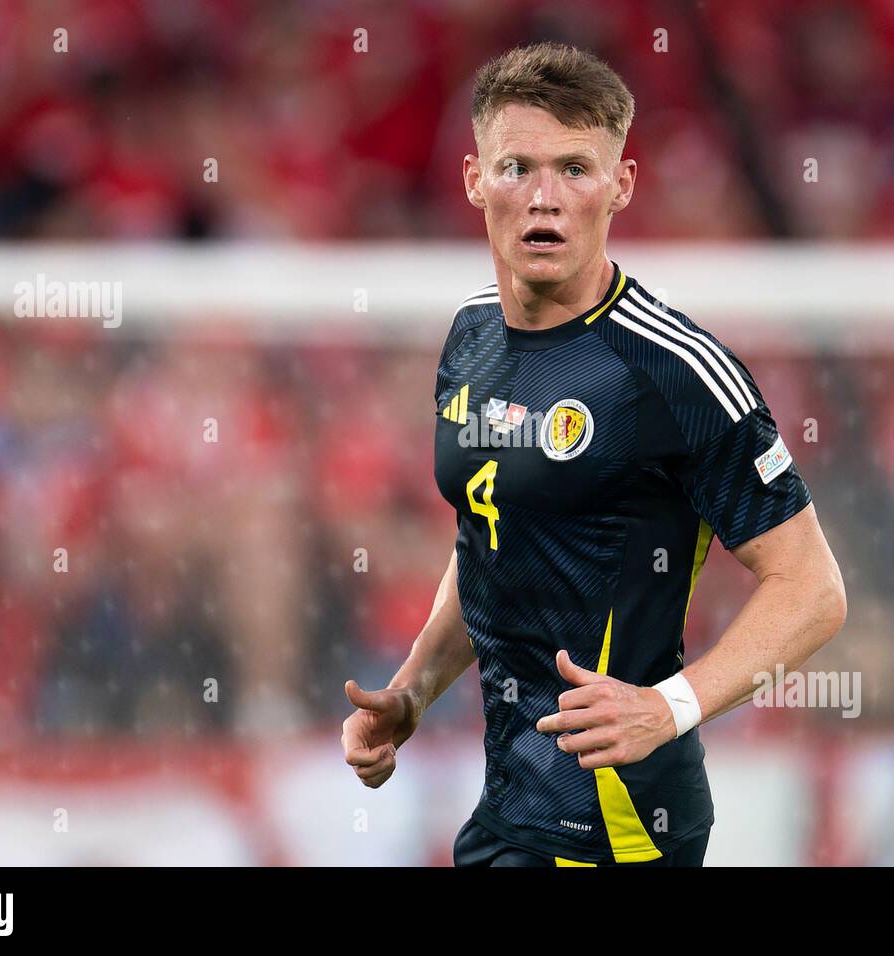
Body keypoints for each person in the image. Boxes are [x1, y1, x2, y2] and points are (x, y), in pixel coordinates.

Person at [342, 41, 846, 867]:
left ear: (622, 185)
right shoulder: (469, 335)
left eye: (576, 169)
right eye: (517, 168)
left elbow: (813, 590)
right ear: (474, 180)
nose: (544, 199)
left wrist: (670, 707)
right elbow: (490, 535)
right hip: (507, 808)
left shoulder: (672, 371)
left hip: (621, 827)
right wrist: (413, 690)